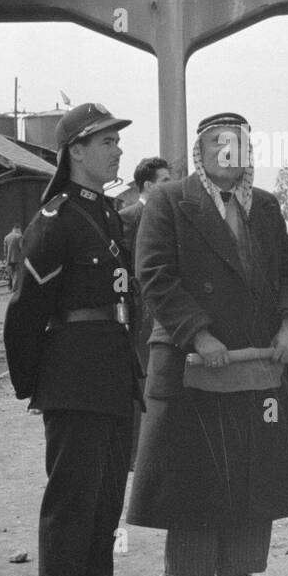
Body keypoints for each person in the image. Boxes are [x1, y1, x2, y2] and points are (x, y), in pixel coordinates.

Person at [128, 113, 288, 576]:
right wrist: (200, 332)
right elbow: (155, 276)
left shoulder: (267, 207)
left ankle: (237, 573)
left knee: (254, 467)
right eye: (218, 144)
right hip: (194, 359)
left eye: (239, 144)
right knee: (192, 470)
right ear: (199, 153)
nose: (229, 153)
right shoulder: (170, 201)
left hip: (257, 361)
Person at [2, 103, 154, 576]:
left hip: (113, 373)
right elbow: (24, 311)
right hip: (73, 378)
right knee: (71, 502)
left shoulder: (107, 214)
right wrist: (36, 384)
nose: (117, 149)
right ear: (76, 153)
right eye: (107, 141)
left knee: (105, 496)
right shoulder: (54, 221)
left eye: (116, 139)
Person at [118, 156, 171, 468]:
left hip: (166, 312)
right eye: (165, 181)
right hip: (138, 314)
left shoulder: (172, 216)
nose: (171, 186)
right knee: (140, 382)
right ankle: (138, 456)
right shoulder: (127, 219)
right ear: (149, 185)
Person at [2, 223, 23, 291]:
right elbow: (21, 248)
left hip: (9, 259)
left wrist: (6, 258)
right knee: (17, 273)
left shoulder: (6, 237)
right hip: (17, 259)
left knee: (11, 273)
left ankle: (9, 286)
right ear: (18, 229)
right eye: (20, 230)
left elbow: (5, 250)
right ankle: (15, 288)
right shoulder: (19, 236)